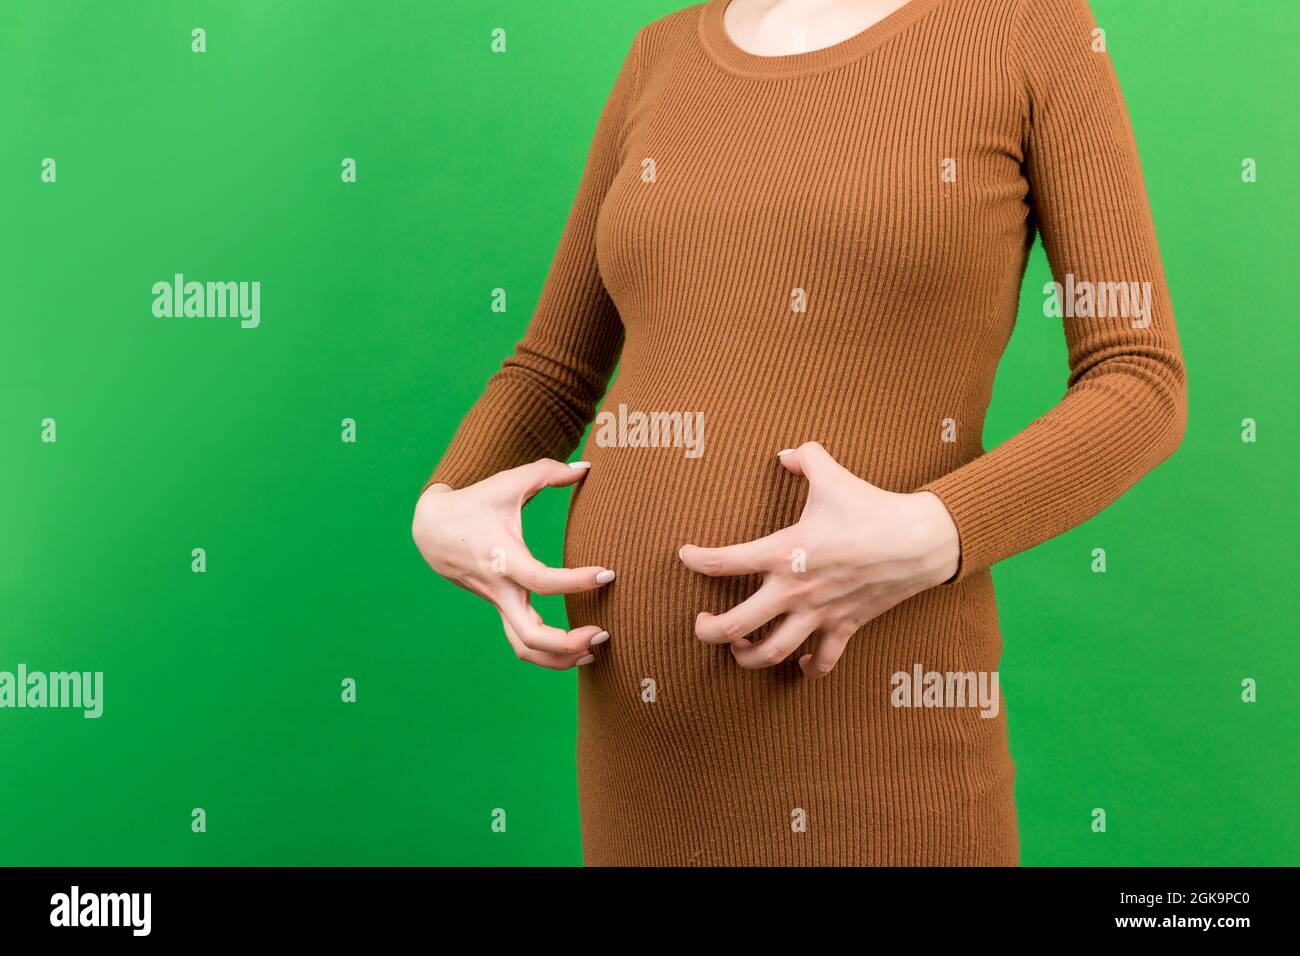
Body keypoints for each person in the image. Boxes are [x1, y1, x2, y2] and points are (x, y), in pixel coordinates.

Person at [412, 0, 1187, 865]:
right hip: (639, 763)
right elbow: (551, 372)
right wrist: (444, 506)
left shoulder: (1029, 29)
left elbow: (1139, 377)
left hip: (880, 738)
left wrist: (934, 532)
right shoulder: (659, 55)